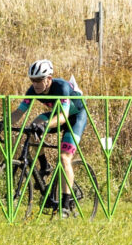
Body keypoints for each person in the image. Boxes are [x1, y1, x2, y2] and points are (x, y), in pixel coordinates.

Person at [8, 59, 88, 207]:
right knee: (33, 127)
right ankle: (44, 165)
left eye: (39, 80)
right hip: (57, 115)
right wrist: (3, 122)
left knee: (64, 158)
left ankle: (65, 204)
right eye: (33, 80)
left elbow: (64, 117)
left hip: (75, 117)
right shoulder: (32, 91)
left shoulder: (62, 87)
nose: (35, 84)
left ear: (49, 78)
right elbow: (19, 112)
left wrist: (45, 125)